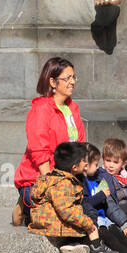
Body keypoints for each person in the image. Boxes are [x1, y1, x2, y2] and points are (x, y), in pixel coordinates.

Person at [13, 56, 84, 226]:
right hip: (39, 177)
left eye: (74, 77)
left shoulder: (72, 108)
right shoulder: (41, 109)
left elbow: (80, 143)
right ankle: (24, 205)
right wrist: (52, 184)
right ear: (53, 82)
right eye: (67, 78)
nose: (72, 82)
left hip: (68, 175)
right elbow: (39, 150)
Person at [28, 140, 110, 253]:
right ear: (74, 167)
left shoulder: (56, 177)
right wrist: (88, 223)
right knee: (87, 218)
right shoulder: (63, 184)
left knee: (85, 212)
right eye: (83, 160)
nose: (86, 164)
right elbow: (67, 211)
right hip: (52, 227)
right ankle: (94, 247)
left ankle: (75, 244)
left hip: (48, 223)